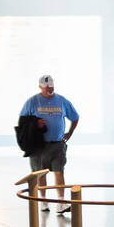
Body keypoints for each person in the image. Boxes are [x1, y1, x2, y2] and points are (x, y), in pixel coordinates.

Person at [20, 74, 79, 215]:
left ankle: (60, 202)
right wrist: (35, 123)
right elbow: (22, 122)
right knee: (41, 174)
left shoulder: (62, 101)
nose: (50, 89)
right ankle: (44, 201)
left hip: (57, 145)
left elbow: (75, 117)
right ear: (40, 87)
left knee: (59, 172)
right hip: (38, 145)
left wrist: (70, 133)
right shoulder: (33, 102)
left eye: (51, 86)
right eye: (46, 87)